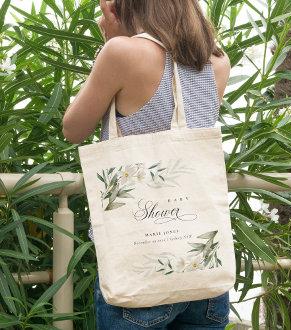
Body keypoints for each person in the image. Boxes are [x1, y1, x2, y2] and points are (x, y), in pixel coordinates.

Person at [62, 0, 231, 328]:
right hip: (205, 275)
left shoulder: (121, 53)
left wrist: (112, 41)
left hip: (139, 273)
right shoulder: (217, 63)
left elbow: (73, 129)